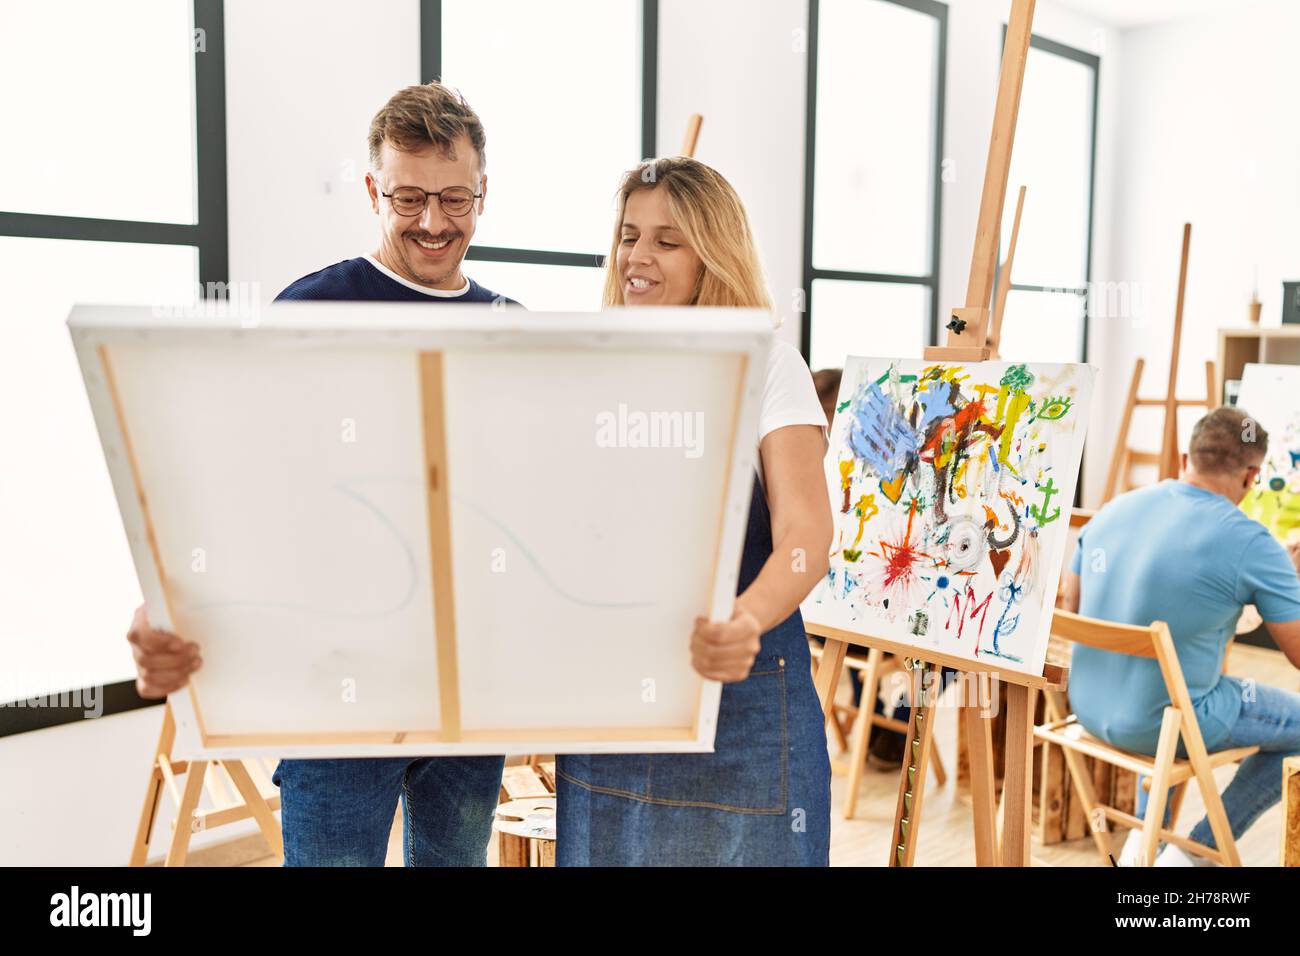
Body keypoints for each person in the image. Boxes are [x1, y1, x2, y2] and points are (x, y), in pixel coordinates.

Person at [125, 81, 516, 866]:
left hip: (466, 696)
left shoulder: (511, 327)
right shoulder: (308, 311)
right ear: (374, 191)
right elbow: (231, 483)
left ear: (484, 193)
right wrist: (159, 600)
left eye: (454, 198)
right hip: (335, 691)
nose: (434, 222)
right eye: (408, 198)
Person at [555, 157, 833, 865]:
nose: (637, 259)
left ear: (713, 252)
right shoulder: (591, 365)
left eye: (666, 241)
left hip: (744, 703)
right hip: (614, 703)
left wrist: (745, 618)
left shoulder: (769, 362)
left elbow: (806, 534)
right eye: (628, 236)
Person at [1060, 406, 1300, 865]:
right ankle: (1191, 856)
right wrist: (1288, 583)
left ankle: (1143, 845)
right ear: (1252, 476)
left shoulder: (1114, 509)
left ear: (1186, 455)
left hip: (1087, 706)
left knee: (1169, 693)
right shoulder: (1252, 543)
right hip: (1162, 725)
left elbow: (1074, 605)